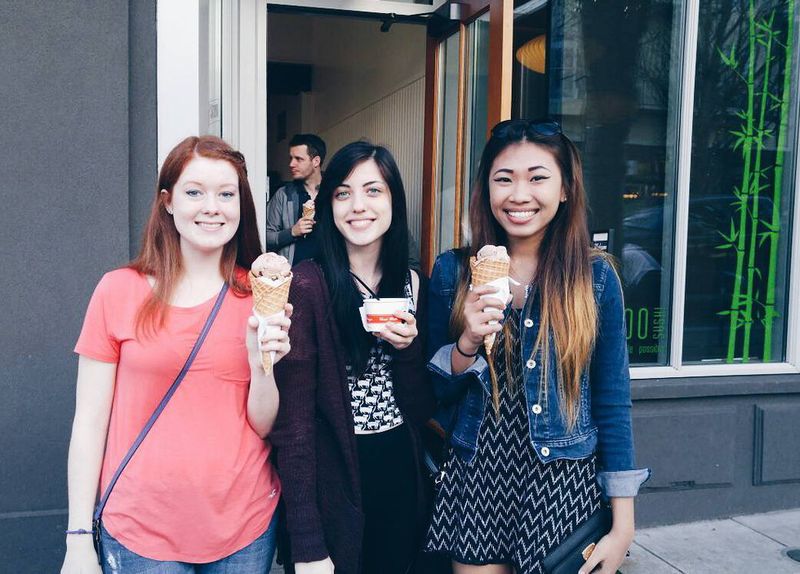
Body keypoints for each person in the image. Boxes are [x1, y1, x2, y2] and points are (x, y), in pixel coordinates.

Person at [424, 119, 650, 574]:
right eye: (504, 179)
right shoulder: (453, 273)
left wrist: (623, 525)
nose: (519, 194)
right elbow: (433, 394)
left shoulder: (595, 278)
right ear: (486, 189)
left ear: (565, 189)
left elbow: (611, 401)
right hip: (476, 481)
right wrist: (467, 341)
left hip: (564, 486)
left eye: (537, 178)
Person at [60, 136, 292, 573]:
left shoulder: (259, 295)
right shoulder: (118, 290)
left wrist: (261, 363)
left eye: (227, 194)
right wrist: (78, 537)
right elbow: (89, 422)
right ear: (167, 202)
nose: (212, 207)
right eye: (194, 192)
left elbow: (263, 425)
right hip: (139, 528)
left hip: (244, 524)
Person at [271, 141, 435, 574]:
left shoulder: (412, 283)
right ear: (329, 205)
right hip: (333, 480)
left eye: (373, 190)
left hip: (399, 472)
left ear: (394, 201)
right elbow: (294, 424)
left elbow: (420, 408)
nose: (358, 205)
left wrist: (407, 349)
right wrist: (306, 541)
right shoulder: (307, 285)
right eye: (343, 193)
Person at [266, 133, 327, 265]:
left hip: (329, 273)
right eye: (291, 158)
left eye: (299, 159)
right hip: (293, 273)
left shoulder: (333, 192)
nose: (291, 164)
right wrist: (292, 232)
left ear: (316, 161)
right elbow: (265, 237)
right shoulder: (284, 194)